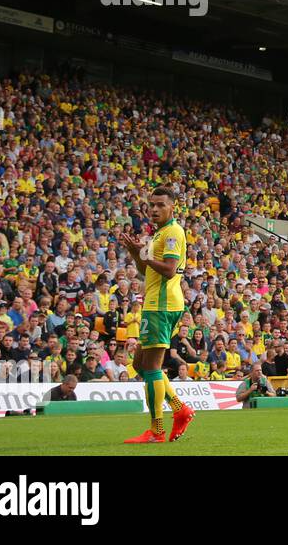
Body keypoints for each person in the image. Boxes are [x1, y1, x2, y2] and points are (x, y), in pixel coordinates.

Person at [119, 187, 195, 443]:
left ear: (172, 207)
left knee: (151, 367)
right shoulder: (159, 233)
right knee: (140, 364)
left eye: (160, 205)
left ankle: (157, 430)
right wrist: (135, 252)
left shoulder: (173, 231)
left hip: (161, 306)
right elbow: (145, 269)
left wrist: (145, 253)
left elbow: (170, 270)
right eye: (152, 204)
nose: (154, 209)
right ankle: (180, 409)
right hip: (157, 304)